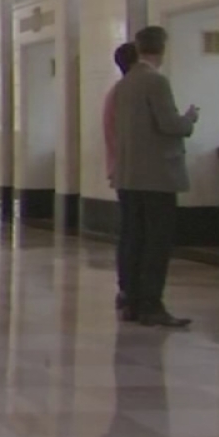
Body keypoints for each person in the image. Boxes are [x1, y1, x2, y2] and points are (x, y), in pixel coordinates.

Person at [113, 26, 199, 328]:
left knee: (133, 239)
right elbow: (168, 124)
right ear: (161, 49)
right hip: (156, 175)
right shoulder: (155, 81)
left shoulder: (124, 84)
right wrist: (188, 120)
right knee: (157, 242)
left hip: (129, 175)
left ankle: (132, 301)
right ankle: (152, 304)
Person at [104, 43, 139, 313]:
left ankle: (128, 290)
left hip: (124, 171)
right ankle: (131, 290)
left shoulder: (116, 93)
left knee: (130, 232)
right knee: (135, 234)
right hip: (134, 174)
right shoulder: (125, 93)